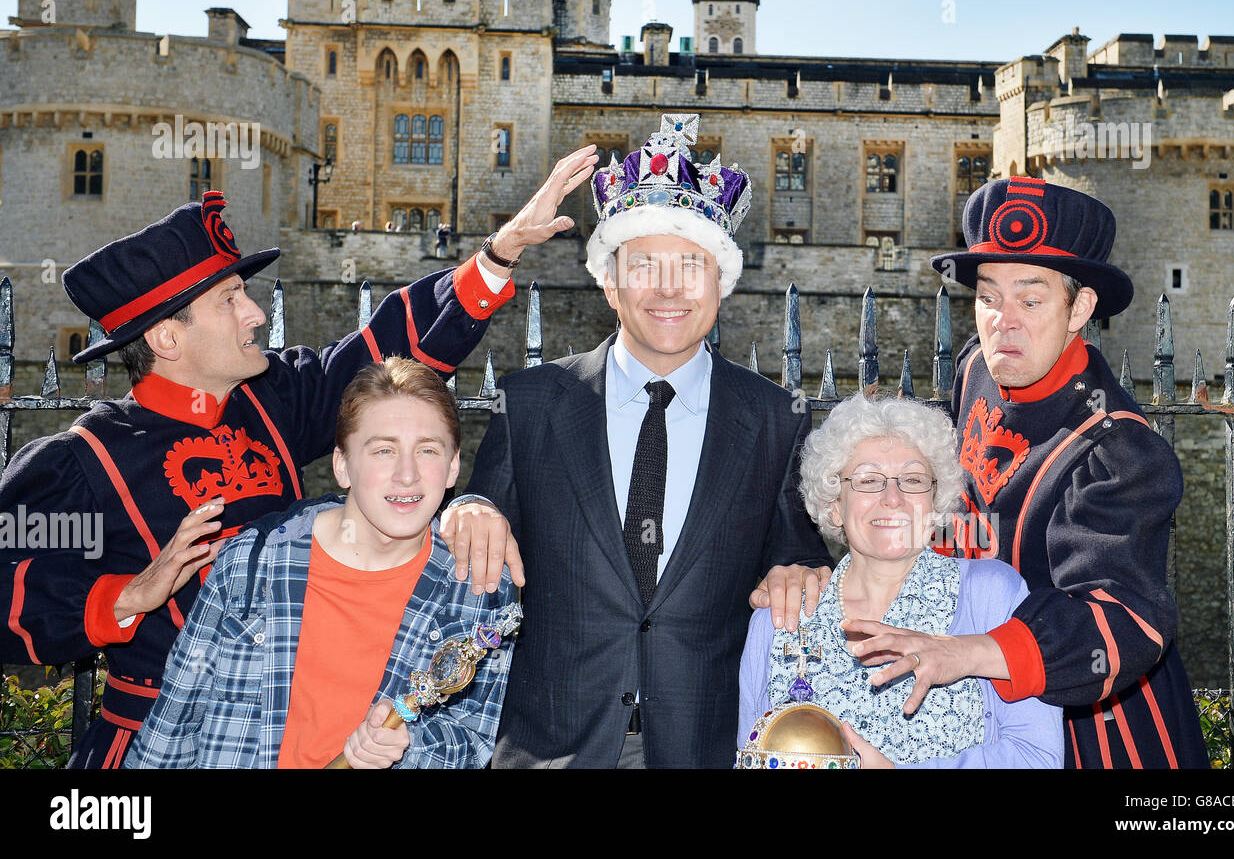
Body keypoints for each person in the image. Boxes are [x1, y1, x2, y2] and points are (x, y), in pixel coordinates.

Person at [0, 145, 594, 768]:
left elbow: (386, 352)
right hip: (158, 742)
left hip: (286, 731)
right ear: (167, 337)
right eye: (229, 300)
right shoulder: (83, 463)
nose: (255, 313)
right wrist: (125, 598)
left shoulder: (273, 400)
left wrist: (497, 254)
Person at [467, 113, 832, 768]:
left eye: (692, 264)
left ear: (722, 282)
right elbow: (479, 531)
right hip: (551, 749)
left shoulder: (777, 419)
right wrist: (467, 509)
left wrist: (797, 572)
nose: (669, 288)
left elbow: (796, 557)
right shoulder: (529, 406)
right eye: (645, 266)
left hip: (702, 746)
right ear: (608, 281)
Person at [842, 176, 1208, 769]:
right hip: (959, 693)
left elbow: (1125, 618)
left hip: (1090, 723)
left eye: (1031, 300)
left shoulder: (1119, 450)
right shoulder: (974, 369)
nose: (1003, 323)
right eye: (988, 296)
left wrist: (970, 653)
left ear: (1080, 308)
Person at [125, 358, 516, 769]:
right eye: (384, 450)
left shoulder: (478, 587)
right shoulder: (251, 564)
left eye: (428, 451)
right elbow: (172, 726)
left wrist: (408, 746)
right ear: (342, 465)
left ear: (453, 466)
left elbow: (473, 740)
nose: (407, 475)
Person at [738, 395, 1063, 769]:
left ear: (936, 500)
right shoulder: (780, 620)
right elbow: (751, 757)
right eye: (868, 480)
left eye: (912, 479)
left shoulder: (992, 596)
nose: (892, 498)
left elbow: (1037, 757)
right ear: (834, 505)